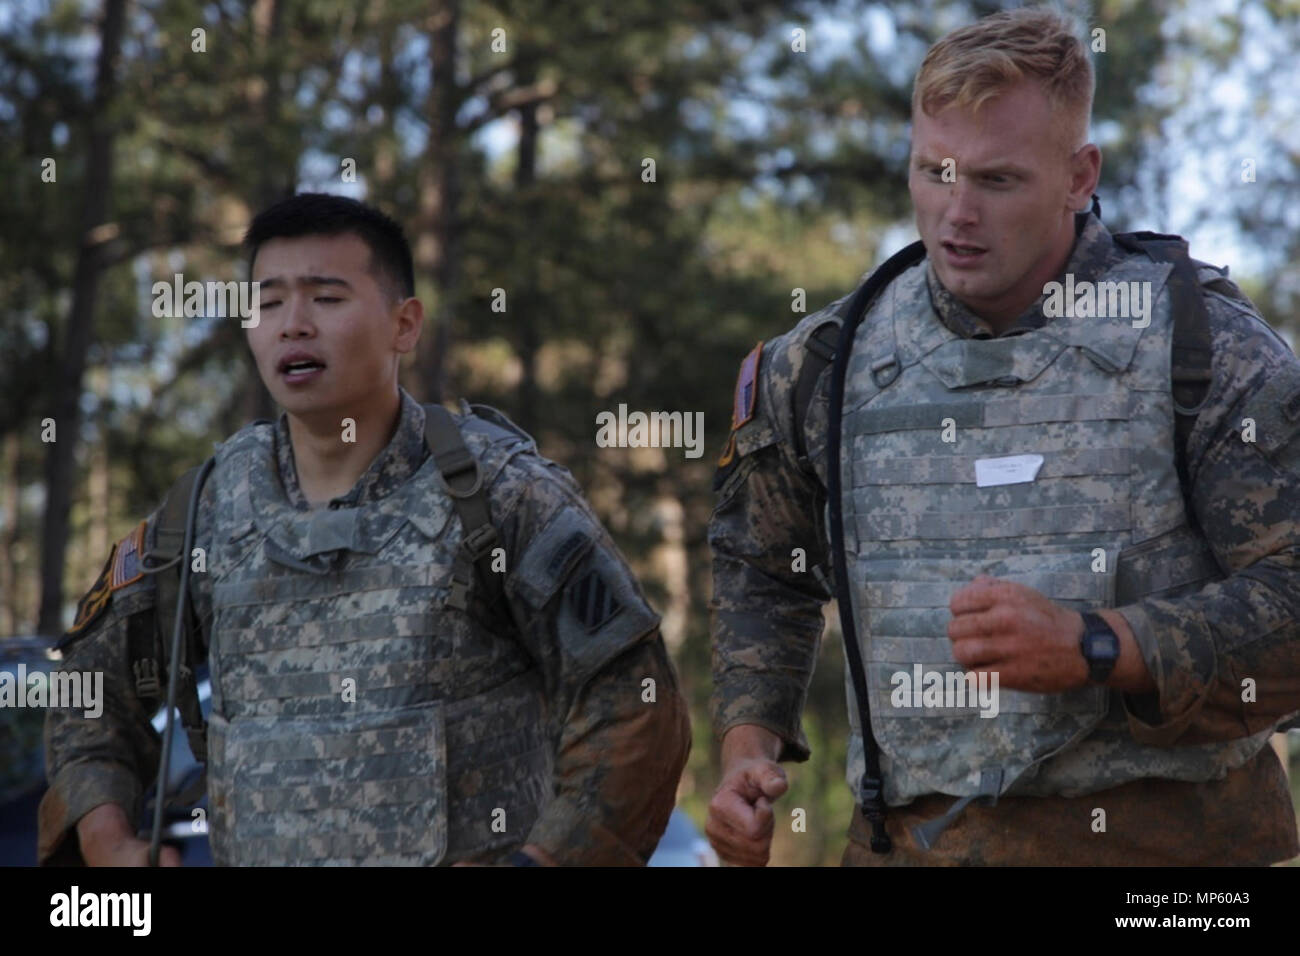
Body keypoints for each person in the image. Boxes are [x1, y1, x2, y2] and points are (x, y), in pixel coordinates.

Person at [706, 7, 1300, 866]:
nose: (956, 214)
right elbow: (764, 570)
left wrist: (1102, 645)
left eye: (997, 180)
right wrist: (746, 751)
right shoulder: (822, 371)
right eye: (933, 173)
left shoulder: (1202, 350)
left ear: (1078, 174)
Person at [41, 192, 690, 866]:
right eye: (267, 304)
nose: (292, 325)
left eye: (326, 298)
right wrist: (107, 840)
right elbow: (86, 689)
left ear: (404, 325)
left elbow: (637, 702)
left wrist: (547, 860)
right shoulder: (203, 514)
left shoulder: (503, 496)